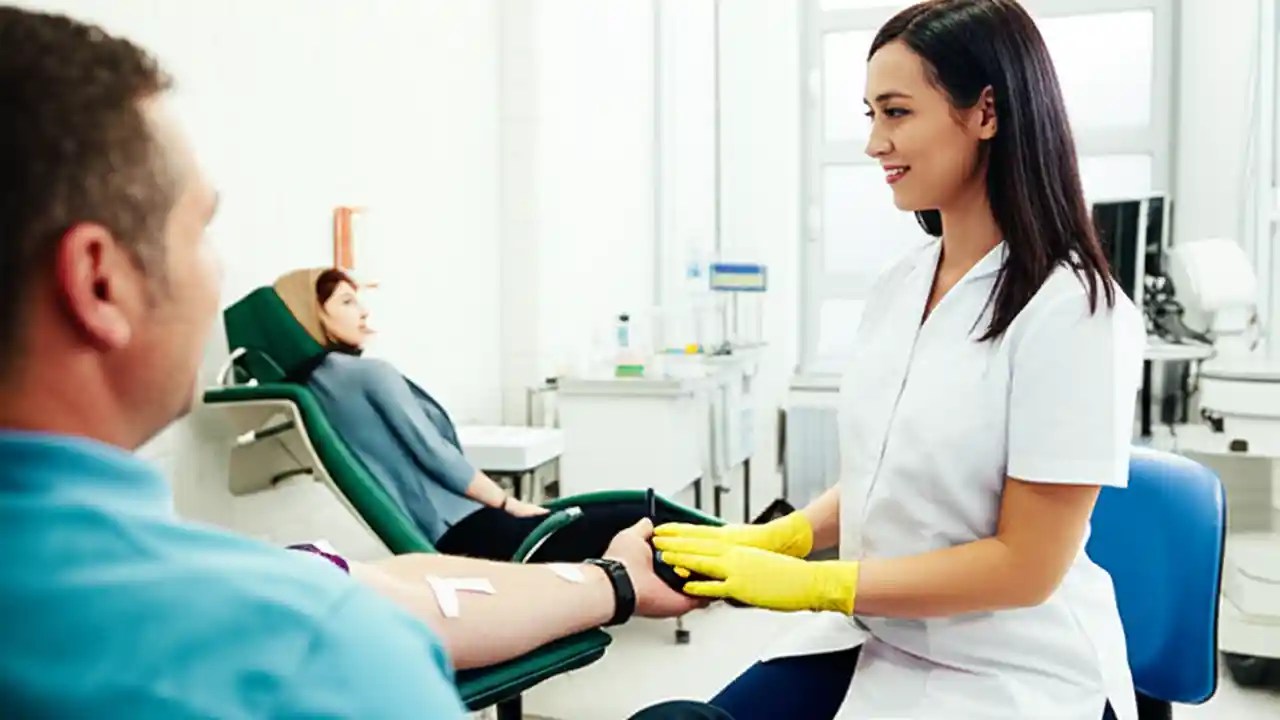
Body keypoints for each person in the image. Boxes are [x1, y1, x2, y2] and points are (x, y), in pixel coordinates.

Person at [0, 8, 717, 718]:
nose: (213, 274)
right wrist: (518, 510)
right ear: (100, 283)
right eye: (199, 233)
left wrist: (612, 584)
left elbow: (390, 585)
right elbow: (380, 559)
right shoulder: (320, 657)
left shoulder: (251, 593)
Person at [654, 1, 1146, 719]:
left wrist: (825, 582)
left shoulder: (1073, 312)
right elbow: (889, 469)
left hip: (1010, 670)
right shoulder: (900, 285)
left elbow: (1026, 567)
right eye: (870, 115)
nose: (874, 143)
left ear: (986, 112)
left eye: (896, 112)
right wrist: (788, 534)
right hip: (877, 639)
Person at [269, 266, 695, 562]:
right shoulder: (368, 375)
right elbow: (433, 454)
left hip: (441, 535)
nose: (363, 311)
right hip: (471, 530)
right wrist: (510, 503)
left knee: (626, 513)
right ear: (308, 313)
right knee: (643, 513)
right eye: (346, 301)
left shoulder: (310, 391)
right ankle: (745, 558)